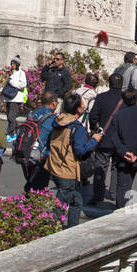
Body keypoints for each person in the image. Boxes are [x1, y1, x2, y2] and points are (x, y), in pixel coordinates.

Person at [45, 92, 101, 227]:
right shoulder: (77, 128)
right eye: (82, 104)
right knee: (60, 207)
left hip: (55, 165)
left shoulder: (57, 121)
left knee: (76, 200)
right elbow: (80, 150)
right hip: (67, 170)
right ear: (78, 109)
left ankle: (73, 228)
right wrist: (94, 140)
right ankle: (50, 231)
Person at [85, 72, 125, 205]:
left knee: (100, 167)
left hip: (104, 137)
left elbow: (93, 116)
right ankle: (114, 192)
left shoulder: (101, 97)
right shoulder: (126, 99)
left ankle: (98, 195)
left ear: (109, 83)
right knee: (117, 167)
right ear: (122, 84)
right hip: (120, 139)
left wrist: (96, 129)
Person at [21, 92, 59, 191]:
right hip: (42, 155)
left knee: (30, 182)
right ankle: (32, 205)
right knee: (39, 186)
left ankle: (27, 202)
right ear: (54, 103)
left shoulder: (31, 114)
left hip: (27, 152)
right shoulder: (52, 118)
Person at [4, 58, 28, 135]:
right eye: (11, 64)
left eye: (13, 64)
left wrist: (11, 82)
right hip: (9, 98)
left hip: (16, 98)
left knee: (11, 117)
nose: (12, 65)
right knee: (9, 117)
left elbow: (23, 84)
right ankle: (17, 130)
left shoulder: (21, 73)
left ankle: (11, 133)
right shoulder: (11, 73)